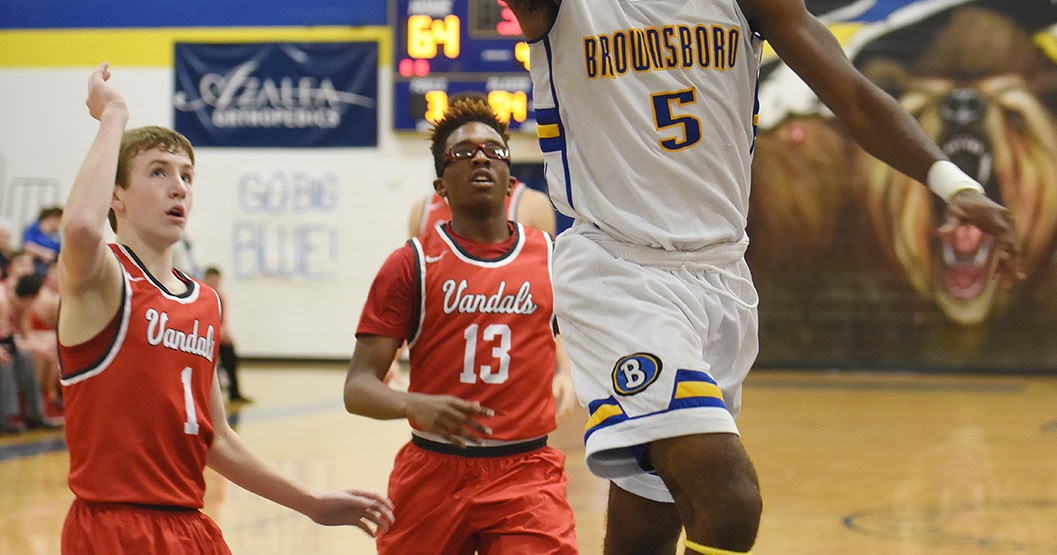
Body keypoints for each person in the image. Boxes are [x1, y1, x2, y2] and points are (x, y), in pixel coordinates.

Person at [502, 2, 1022, 554]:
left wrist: (954, 183)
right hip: (619, 269)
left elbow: (853, 97)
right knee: (729, 500)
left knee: (647, 526)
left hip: (721, 273)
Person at [55, 62, 393, 554]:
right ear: (117, 196)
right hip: (115, 527)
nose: (179, 188)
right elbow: (82, 228)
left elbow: (216, 439)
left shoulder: (204, 302)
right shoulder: (104, 278)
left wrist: (311, 502)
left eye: (187, 176)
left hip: (190, 525)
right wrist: (114, 115)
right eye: (158, 173)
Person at [343, 98, 578, 554]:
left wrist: (565, 374)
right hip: (433, 469)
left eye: (494, 151)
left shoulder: (553, 257)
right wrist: (414, 403)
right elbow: (357, 387)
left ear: (511, 178)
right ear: (440, 186)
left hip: (524, 472)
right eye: (464, 153)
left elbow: (567, 332)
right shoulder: (410, 264)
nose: (482, 158)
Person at [201, 266, 251, 403]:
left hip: (217, 335)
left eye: (218, 281)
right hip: (203, 336)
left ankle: (234, 392)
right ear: (206, 279)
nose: (216, 283)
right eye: (213, 280)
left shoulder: (220, 296)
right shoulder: (200, 294)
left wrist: (224, 332)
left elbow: (221, 320)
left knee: (230, 354)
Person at [22, 206, 63, 274]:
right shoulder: (34, 227)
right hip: (34, 262)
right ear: (52, 218)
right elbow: (27, 246)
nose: (60, 224)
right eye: (59, 220)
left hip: (50, 265)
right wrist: (43, 254)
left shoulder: (56, 235)